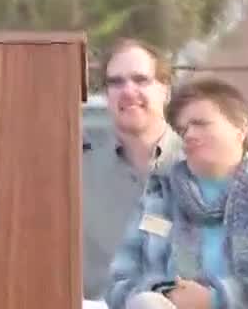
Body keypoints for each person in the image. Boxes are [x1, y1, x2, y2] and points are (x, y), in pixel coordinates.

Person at [107, 76, 248, 309]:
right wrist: (164, 295)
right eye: (183, 129)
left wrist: (216, 300)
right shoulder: (159, 197)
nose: (189, 135)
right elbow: (119, 282)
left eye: (200, 123)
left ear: (241, 129)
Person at [83, 38, 182, 301]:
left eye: (140, 80)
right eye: (116, 82)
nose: (128, 91)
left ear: (166, 90)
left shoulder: (202, 165)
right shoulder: (78, 174)